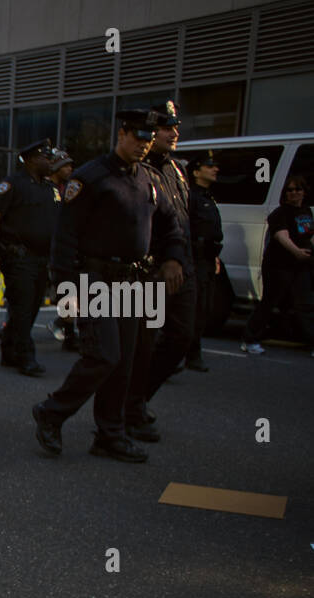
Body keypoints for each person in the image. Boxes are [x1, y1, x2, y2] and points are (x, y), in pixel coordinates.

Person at [32, 110, 186, 464]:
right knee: (104, 355)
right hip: (95, 280)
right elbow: (65, 237)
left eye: (149, 140)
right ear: (122, 134)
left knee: (125, 363)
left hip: (134, 281)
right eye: (137, 138)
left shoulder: (148, 179)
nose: (143, 146)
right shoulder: (91, 178)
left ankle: (109, 435)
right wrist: (66, 290)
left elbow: (169, 224)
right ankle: (52, 412)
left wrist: (174, 257)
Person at [125, 101, 197, 443]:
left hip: (182, 265)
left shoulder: (176, 169)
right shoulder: (139, 171)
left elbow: (182, 219)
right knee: (142, 345)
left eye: (175, 127)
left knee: (180, 338)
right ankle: (130, 408)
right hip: (150, 272)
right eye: (166, 128)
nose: (174, 133)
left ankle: (136, 400)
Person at [0, 139, 58, 377]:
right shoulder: (12, 184)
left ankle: (9, 348)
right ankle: (26, 356)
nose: (49, 162)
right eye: (44, 158)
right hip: (18, 256)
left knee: (32, 305)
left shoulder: (49, 188)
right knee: (23, 306)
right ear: (29, 160)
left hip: (41, 258)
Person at [241, 173, 312, 353]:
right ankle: (249, 340)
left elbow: (307, 235)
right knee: (269, 302)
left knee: (305, 304)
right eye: (289, 190)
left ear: (304, 192)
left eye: (298, 189)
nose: (293, 193)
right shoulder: (279, 213)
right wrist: (297, 252)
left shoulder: (306, 211)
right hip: (278, 265)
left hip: (301, 265)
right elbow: (281, 236)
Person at [185, 151, 223, 371]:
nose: (215, 169)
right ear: (197, 171)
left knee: (204, 308)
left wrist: (215, 256)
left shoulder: (208, 197)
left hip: (208, 258)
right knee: (193, 308)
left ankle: (191, 352)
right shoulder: (191, 197)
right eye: (210, 166)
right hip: (195, 258)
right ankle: (189, 353)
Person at [47, 149, 79, 350]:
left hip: (67, 247)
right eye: (65, 165)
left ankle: (66, 329)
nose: (69, 169)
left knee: (72, 292)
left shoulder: (69, 188)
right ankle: (64, 326)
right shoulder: (47, 189)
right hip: (51, 250)